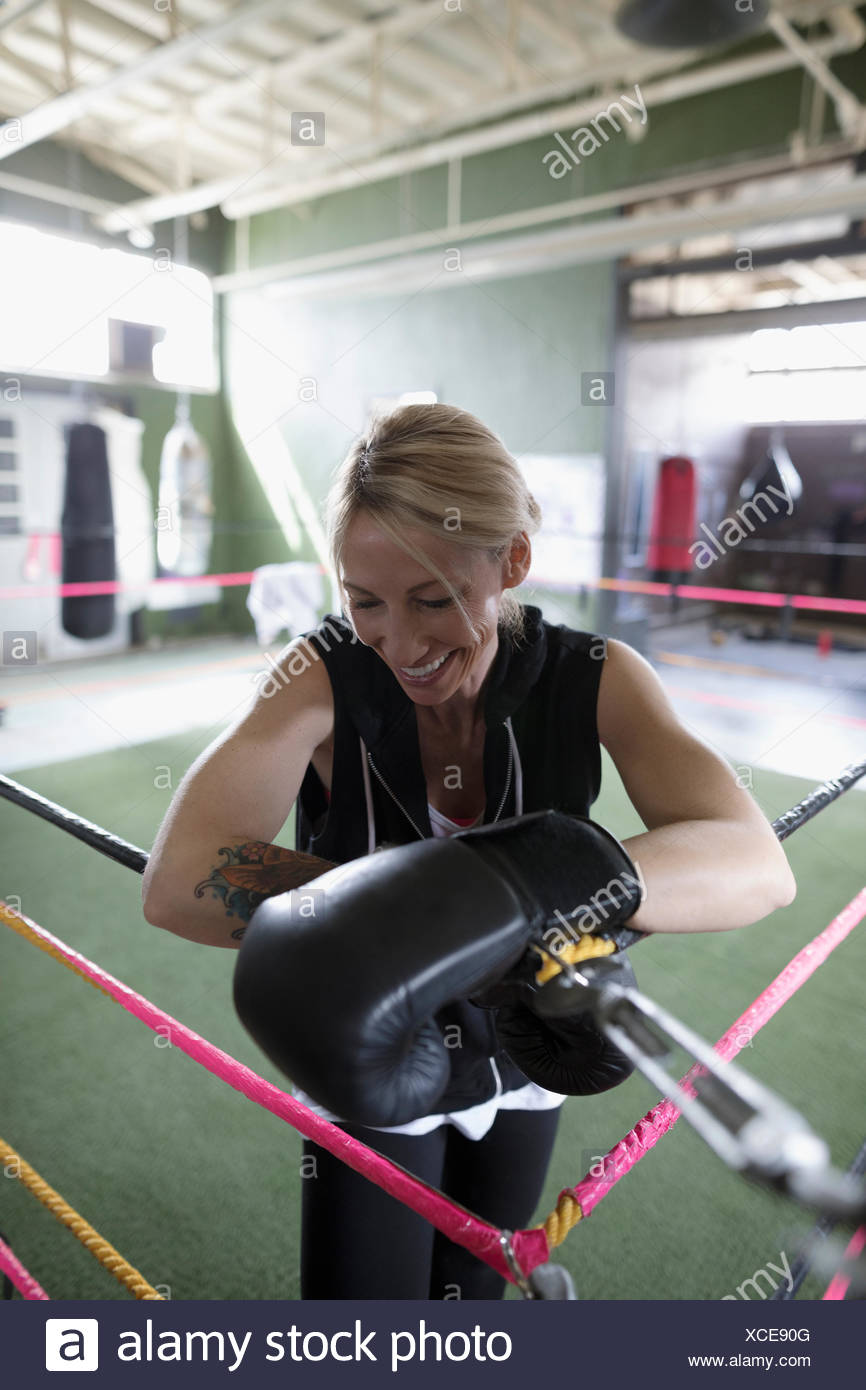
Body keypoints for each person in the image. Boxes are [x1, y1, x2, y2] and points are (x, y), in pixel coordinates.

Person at [142, 403, 796, 1300]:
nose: (399, 643)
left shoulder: (593, 674)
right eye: (364, 599)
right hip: (372, 1043)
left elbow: (755, 861)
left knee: (476, 1295)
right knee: (362, 1333)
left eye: (432, 599)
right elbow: (180, 878)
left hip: (527, 1053)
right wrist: (423, 920)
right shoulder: (321, 672)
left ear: (512, 562)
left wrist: (539, 887)